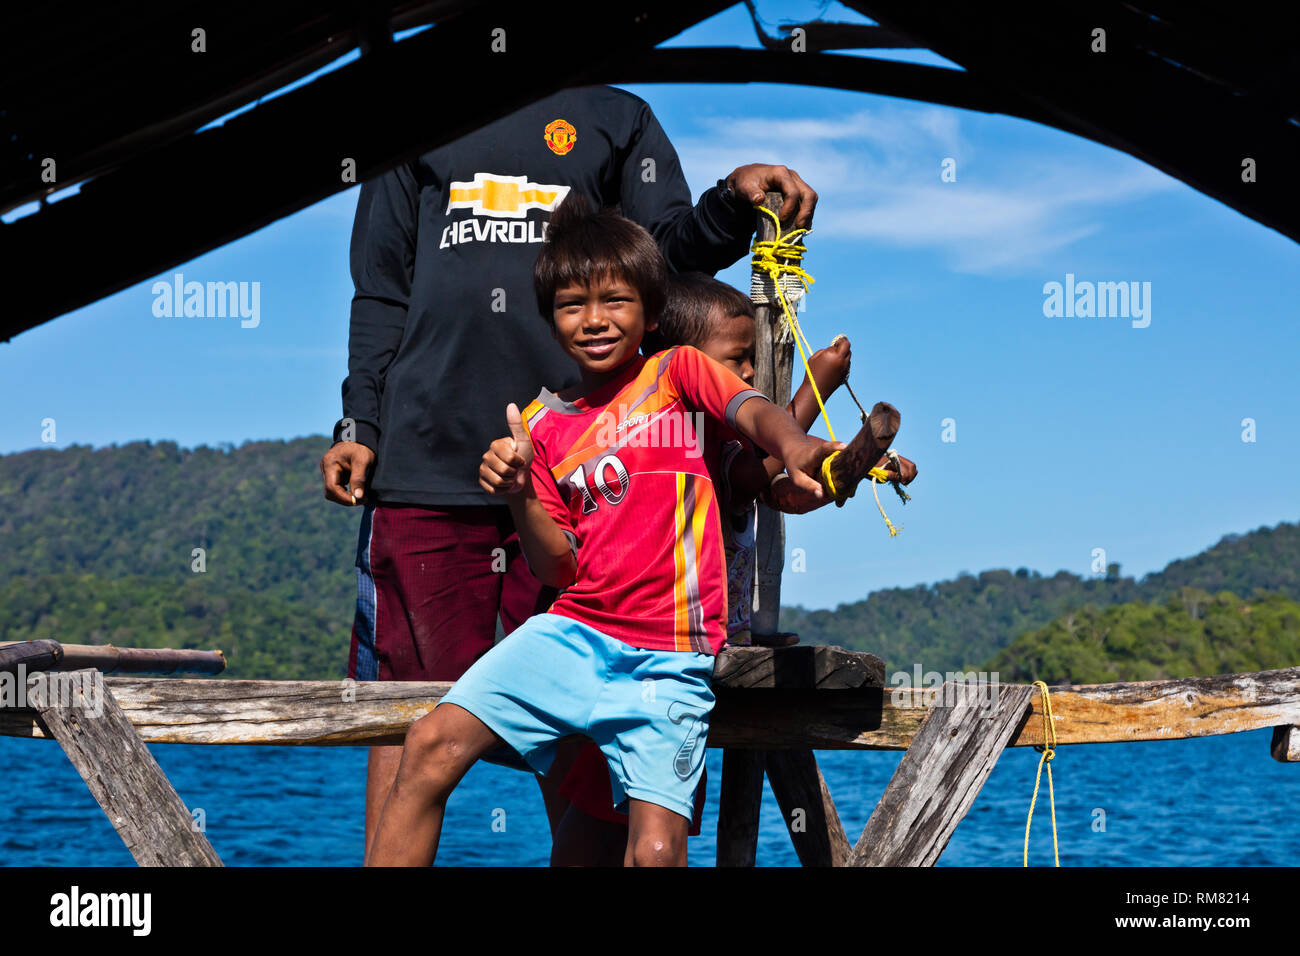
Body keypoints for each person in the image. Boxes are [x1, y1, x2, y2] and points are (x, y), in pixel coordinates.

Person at [316, 84, 818, 857]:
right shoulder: (411, 115)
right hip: (426, 462)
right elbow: (380, 288)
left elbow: (664, 258)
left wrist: (727, 203)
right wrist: (361, 422)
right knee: (407, 711)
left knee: (597, 715)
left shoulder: (618, 117)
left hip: (592, 480)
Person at [550, 271, 917, 865]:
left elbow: (773, 454)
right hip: (646, 656)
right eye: (737, 361)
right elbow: (770, 472)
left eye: (750, 362)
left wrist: (854, 460)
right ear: (687, 369)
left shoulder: (715, 442)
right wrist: (816, 388)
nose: (747, 377)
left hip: (691, 657)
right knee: (604, 820)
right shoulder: (681, 441)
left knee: (636, 822)